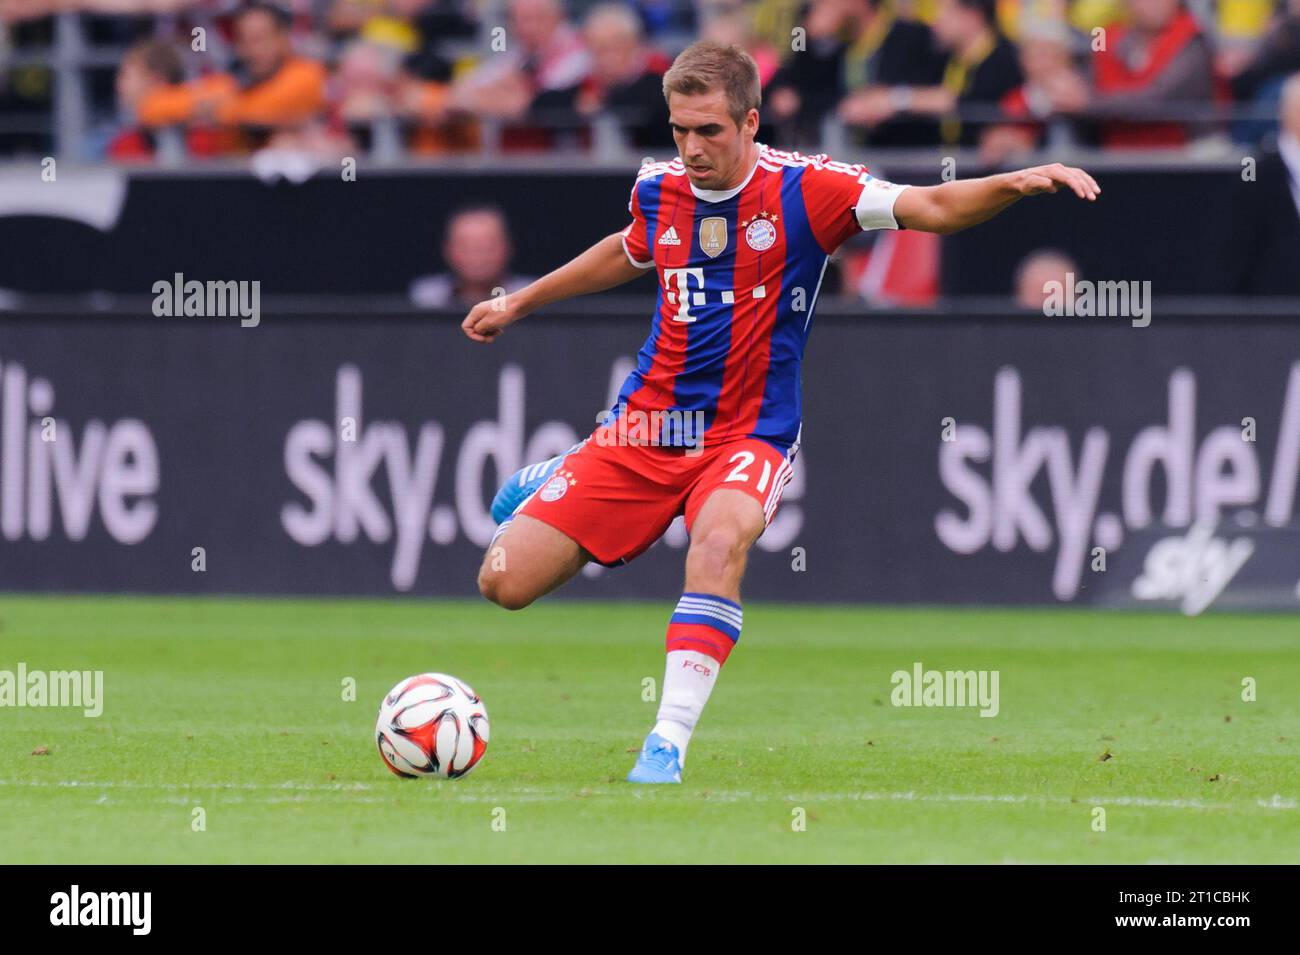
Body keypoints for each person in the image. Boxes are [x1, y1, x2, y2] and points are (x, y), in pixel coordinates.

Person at [460, 41, 1099, 784]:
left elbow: (929, 205)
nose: (692, 149)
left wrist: (1013, 182)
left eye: (709, 131)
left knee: (719, 540)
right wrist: (520, 301)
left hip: (748, 432)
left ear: (751, 122)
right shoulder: (659, 191)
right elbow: (629, 252)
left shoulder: (814, 189)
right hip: (648, 427)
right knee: (503, 584)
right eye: (679, 130)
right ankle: (564, 470)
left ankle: (665, 742)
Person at [410, 206, 533, 309]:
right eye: (466, 246)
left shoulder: (532, 296)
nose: (478, 256)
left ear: (507, 248)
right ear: (448, 250)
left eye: (487, 246)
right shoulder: (425, 298)